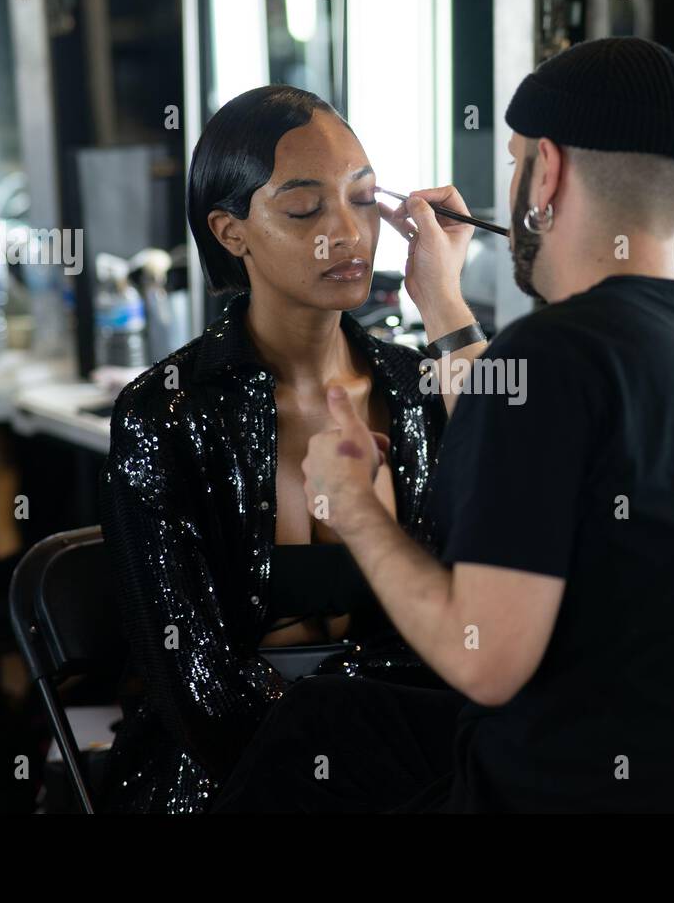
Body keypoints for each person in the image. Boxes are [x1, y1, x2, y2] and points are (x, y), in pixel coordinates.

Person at [217, 37, 674, 813]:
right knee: (333, 722)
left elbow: (485, 663)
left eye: (515, 162)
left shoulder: (554, 356)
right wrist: (443, 304)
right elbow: (532, 424)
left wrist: (356, 510)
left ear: (546, 171)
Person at [98, 85, 477, 812]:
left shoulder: (419, 389)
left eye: (364, 199)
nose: (348, 232)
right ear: (230, 231)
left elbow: (480, 622)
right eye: (305, 208)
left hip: (404, 769)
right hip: (225, 782)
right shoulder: (165, 413)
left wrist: (445, 303)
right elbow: (197, 691)